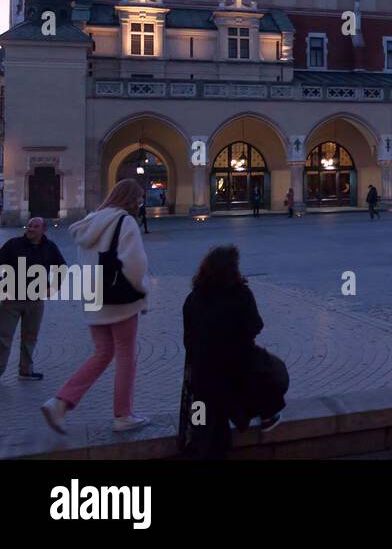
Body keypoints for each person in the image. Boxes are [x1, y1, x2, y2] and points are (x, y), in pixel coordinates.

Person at [41, 179, 152, 435]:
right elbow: (135, 266)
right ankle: (123, 415)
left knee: (102, 353)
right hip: (120, 298)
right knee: (126, 355)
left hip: (94, 296)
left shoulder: (89, 222)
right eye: (138, 198)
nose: (140, 203)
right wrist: (143, 292)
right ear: (129, 199)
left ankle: (60, 402)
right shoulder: (125, 222)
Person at [179, 246, 288, 458]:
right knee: (273, 370)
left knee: (206, 419)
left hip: (203, 378)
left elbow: (188, 340)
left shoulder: (193, 298)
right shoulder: (241, 294)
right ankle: (265, 416)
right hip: (237, 371)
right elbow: (255, 326)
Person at [0, 217, 65, 382]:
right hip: (11, 300)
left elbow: (61, 268)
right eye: (29, 226)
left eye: (35, 226)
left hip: (36, 300)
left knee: (30, 337)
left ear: (43, 229)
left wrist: (54, 287)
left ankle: (26, 370)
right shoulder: (13, 245)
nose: (30, 229)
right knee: (4, 337)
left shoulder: (50, 247)